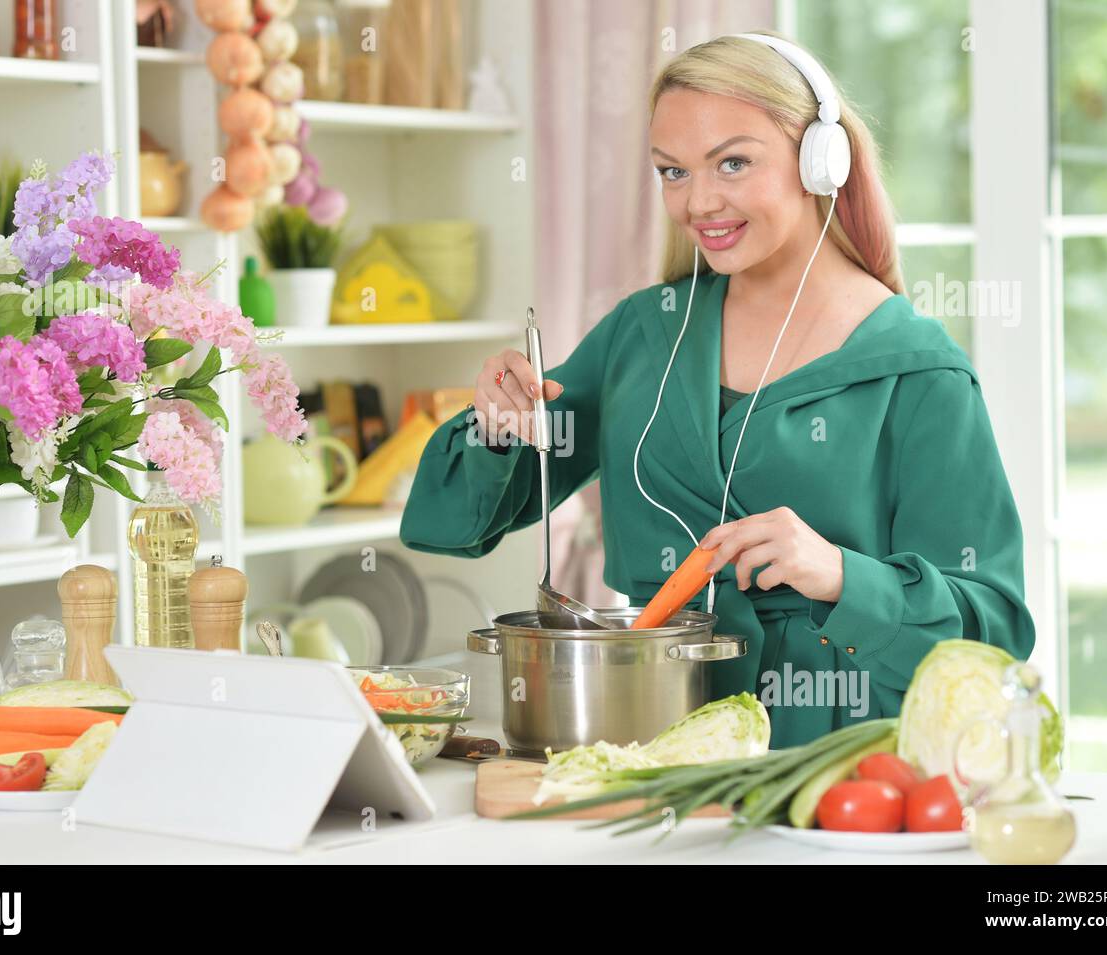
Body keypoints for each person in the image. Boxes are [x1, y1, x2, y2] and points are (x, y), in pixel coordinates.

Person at [399, 31, 1034, 748]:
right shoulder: (646, 334)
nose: (699, 202)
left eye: (732, 162)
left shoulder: (918, 371)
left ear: (818, 161)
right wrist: (496, 427)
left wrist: (839, 575)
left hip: (833, 762)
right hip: (650, 740)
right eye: (673, 171)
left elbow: (993, 634)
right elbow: (447, 526)